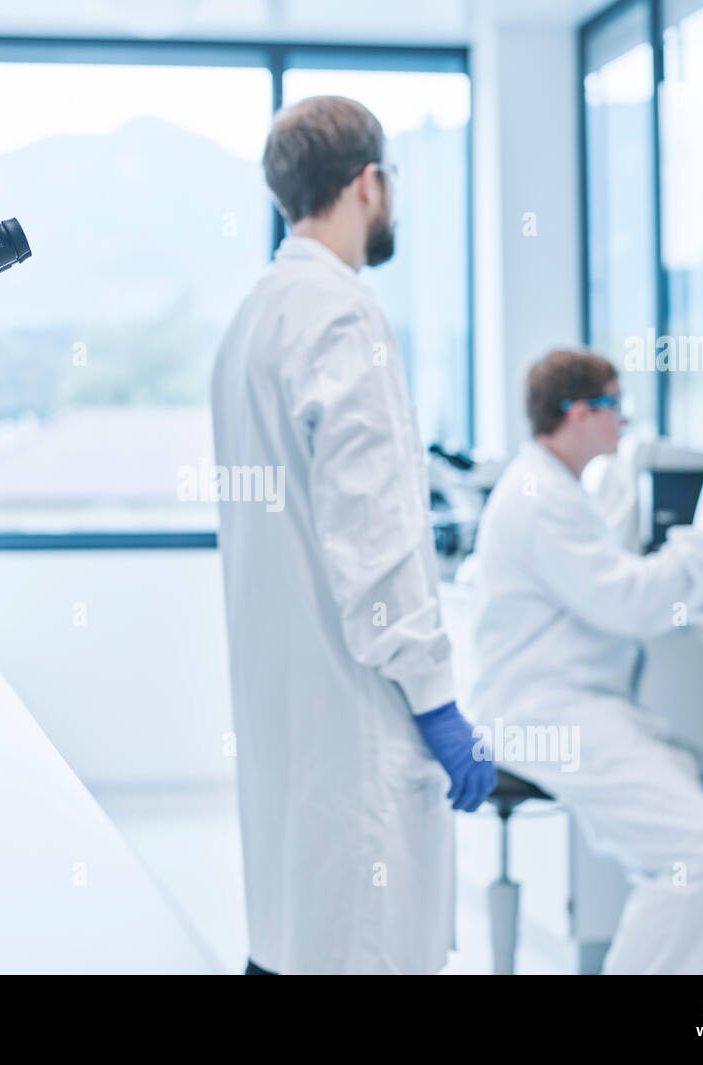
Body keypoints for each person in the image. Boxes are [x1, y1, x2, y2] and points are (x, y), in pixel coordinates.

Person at [211, 95, 495, 975]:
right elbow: (374, 539)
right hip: (358, 719)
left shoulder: (253, 318)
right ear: (370, 183)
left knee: (300, 936)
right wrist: (439, 701)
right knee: (358, 941)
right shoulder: (342, 314)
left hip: (295, 717)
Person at [469, 348, 703, 974]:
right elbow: (630, 602)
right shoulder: (542, 497)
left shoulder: (550, 487)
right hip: (549, 713)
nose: (624, 423)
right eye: (615, 406)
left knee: (693, 780)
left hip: (561, 703)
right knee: (701, 852)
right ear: (580, 413)